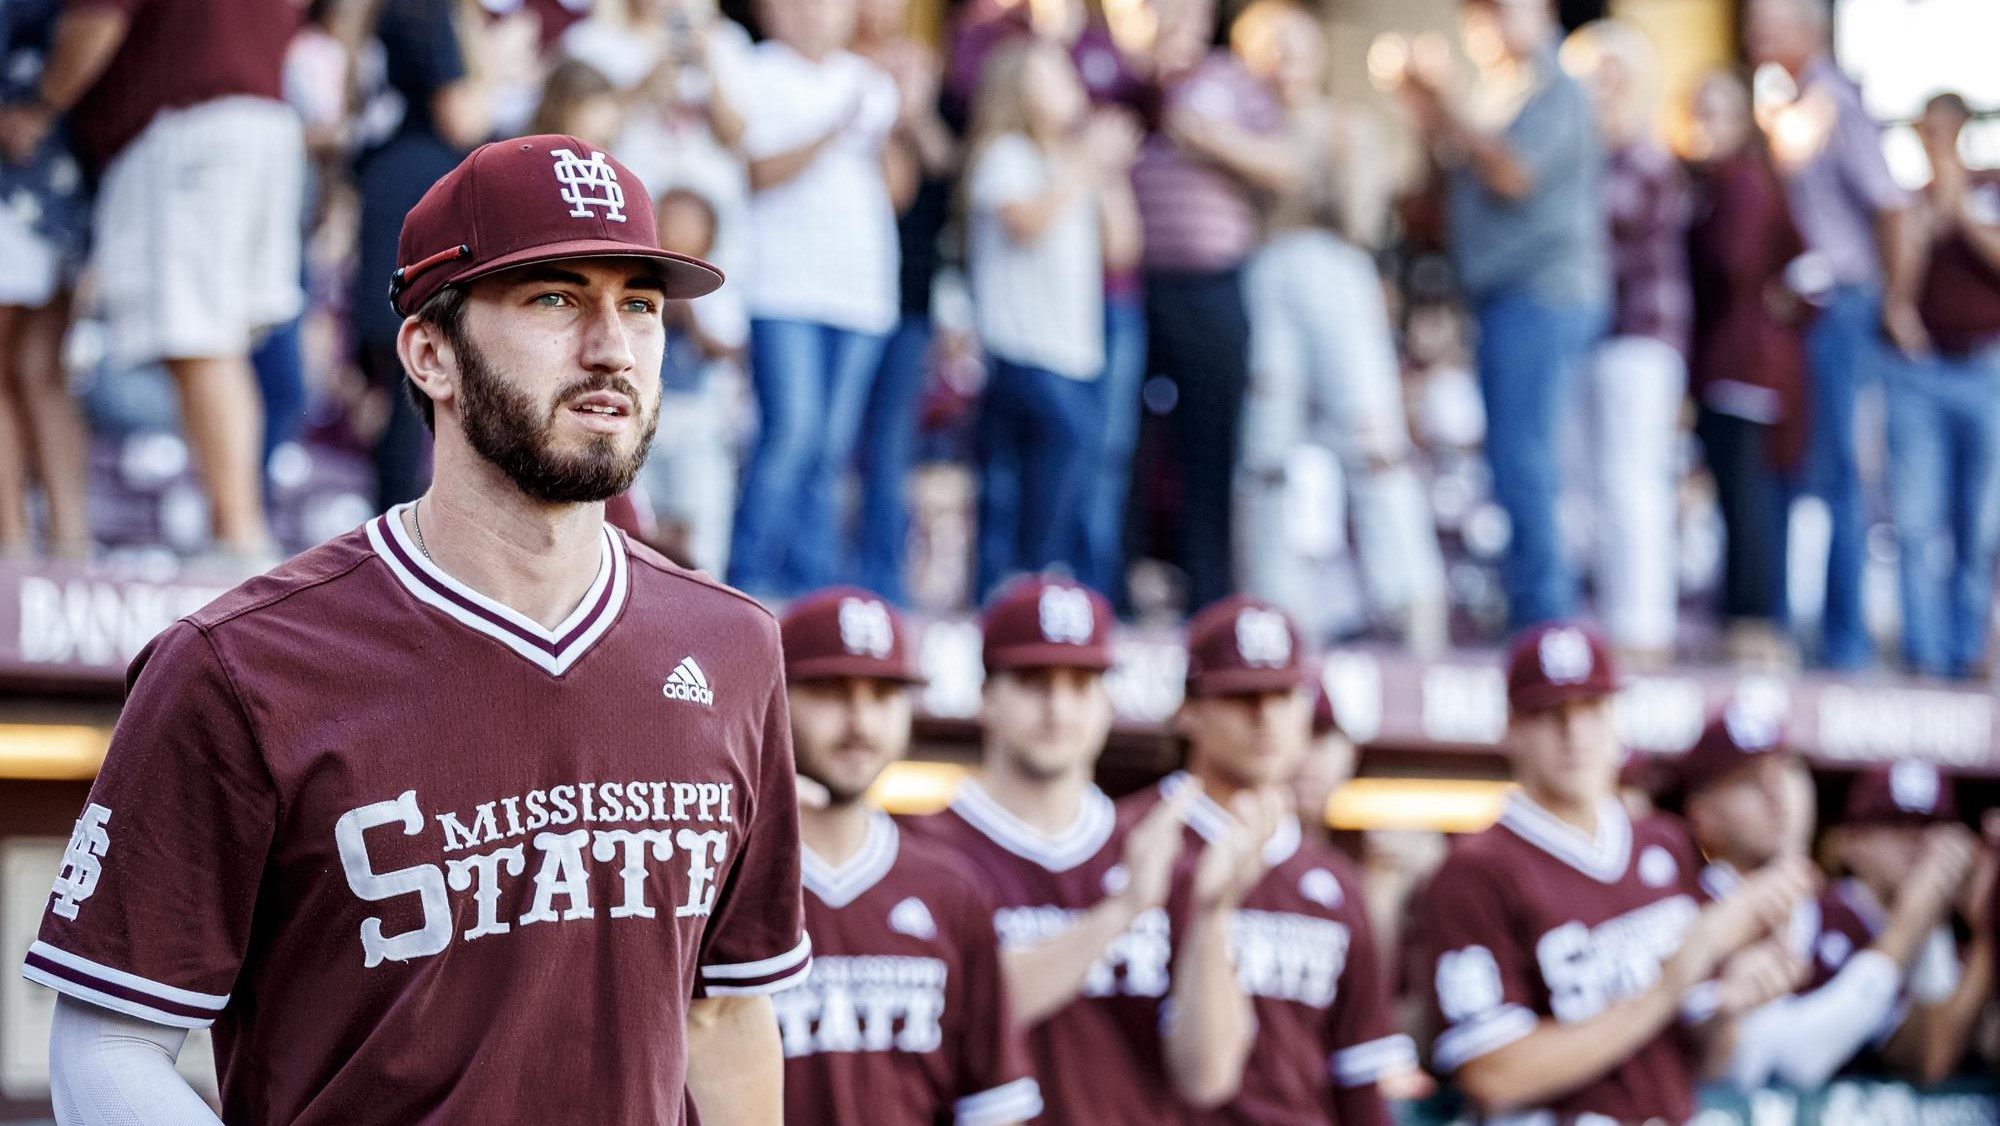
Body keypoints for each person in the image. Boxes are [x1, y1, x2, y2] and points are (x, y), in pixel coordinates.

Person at [25, 137, 808, 1123]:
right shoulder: (239, 664)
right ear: (430, 353)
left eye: (640, 305)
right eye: (554, 299)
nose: (612, 344)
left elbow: (725, 1016)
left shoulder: (734, 646)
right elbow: (106, 1051)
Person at [1412, 624, 1813, 1123]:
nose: (1574, 733)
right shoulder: (1474, 871)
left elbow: (1693, 1059)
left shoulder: (1663, 841)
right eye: (1549, 713)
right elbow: (1494, 1075)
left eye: (1591, 707)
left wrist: (1729, 1009)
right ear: (1511, 728)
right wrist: (1673, 980)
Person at [904, 576, 1260, 1123]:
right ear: (986, 696)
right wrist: (1119, 913)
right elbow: (963, 1017)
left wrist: (1214, 911)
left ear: (1107, 699)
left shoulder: (1154, 847)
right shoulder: (927, 852)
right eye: (1034, 681)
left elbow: (1209, 1076)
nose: (1058, 707)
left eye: (1080, 683)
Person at [0, 0, 306, 559]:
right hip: (259, 116)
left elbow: (99, 18)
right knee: (218, 344)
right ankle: (236, 533)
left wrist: (40, 106)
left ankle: (237, 539)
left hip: (189, 122)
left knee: (201, 344)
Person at [1132, 597, 1414, 1124]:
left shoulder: (1333, 882)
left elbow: (1359, 1081)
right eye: (1241, 696)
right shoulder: (1129, 845)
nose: (1265, 717)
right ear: (1188, 708)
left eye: (1283, 694)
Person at [776, 587, 1043, 1126]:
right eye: (832, 692)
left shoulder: (951, 889)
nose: (861, 721)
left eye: (883, 695)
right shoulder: (720, 881)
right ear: (774, 697)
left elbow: (992, 1104)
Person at [1229, 0, 1446, 651]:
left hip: (1336, 277)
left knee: (1371, 436)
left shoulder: (1348, 123)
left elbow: (1361, 222)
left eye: (1294, 44)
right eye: (1270, 46)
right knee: (1268, 447)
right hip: (1266, 281)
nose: (1284, 59)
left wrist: (1345, 161)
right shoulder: (1236, 120)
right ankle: (1274, 604)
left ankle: (1410, 602)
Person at [1400, 0, 1607, 632]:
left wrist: (1449, 109)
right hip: (1499, 295)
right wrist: (1428, 116)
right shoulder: (1497, 93)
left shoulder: (1557, 89)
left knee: (1526, 461)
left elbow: (1512, 175)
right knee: (1510, 462)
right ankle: (1532, 612)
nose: (1485, 24)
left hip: (1541, 293)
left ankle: (1544, 624)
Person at [1673, 709, 1976, 1088]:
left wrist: (1932, 921)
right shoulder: (1683, 909)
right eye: (1748, 781)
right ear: (1702, 815)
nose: (1777, 793)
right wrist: (1907, 926)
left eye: (1787, 770)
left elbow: (1916, 1061)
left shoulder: (1843, 916)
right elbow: (1787, 1064)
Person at [1744, 0, 1911, 670]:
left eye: (1770, 21)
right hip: (1804, 307)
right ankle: (1796, 632)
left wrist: (1891, 302)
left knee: (1836, 470)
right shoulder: (1789, 106)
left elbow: (1892, 207)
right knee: (1796, 465)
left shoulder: (1833, 102)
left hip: (1840, 307)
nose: (1757, 33)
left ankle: (1846, 646)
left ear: (1808, 31)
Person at [727, 0, 899, 599]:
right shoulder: (755, 70)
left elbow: (896, 189)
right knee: (790, 434)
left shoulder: (872, 82)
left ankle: (813, 591)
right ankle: (749, 579)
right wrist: (832, 127)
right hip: (784, 285)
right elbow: (756, 171)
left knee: (831, 451)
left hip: (861, 291)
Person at [1129, 0, 1297, 612]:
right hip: (1131, 286)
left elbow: (1282, 167)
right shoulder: (1127, 79)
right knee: (1127, 446)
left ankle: (1209, 594)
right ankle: (1121, 582)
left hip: (1212, 284)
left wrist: (1208, 137)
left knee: (1211, 445)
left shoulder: (1233, 81)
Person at [965, 39, 1140, 598]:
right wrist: (1086, 163)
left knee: (1064, 462)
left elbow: (1123, 250)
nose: (1072, 86)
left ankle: (1041, 574)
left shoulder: (1074, 165)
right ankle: (1023, 575)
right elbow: (1027, 221)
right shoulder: (1005, 156)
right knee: (1058, 449)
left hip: (1074, 347)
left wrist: (1106, 175)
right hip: (1019, 342)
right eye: (1053, 77)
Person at [1563, 19, 1691, 666]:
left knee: (1633, 482)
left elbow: (1592, 224)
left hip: (1640, 336)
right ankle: (1608, 624)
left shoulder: (1642, 156)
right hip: (1592, 339)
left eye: (1612, 77)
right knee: (1590, 486)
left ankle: (1643, 631)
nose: (1601, 91)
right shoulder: (1591, 156)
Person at [1683, 69, 1810, 669]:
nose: (1704, 127)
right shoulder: (1718, 184)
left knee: (1746, 497)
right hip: (1730, 363)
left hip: (1743, 367)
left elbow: (1741, 267)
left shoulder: (1744, 184)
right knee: (1738, 497)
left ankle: (1753, 624)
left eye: (1716, 113)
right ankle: (1744, 619)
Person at [352, 0, 494, 511]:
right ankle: (405, 536)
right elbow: (462, 118)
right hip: (418, 191)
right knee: (417, 365)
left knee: (411, 373)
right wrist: (497, 65)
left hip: (400, 182)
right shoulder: (427, 10)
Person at [1884, 92, 2000, 680]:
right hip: (1922, 371)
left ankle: (1968, 647)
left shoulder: (1992, 191)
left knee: (1979, 521)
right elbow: (1898, 296)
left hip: (1985, 368)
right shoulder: (1910, 200)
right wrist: (1924, 227)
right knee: (1916, 516)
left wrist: (1963, 216)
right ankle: (1924, 654)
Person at [851, 0, 959, 606]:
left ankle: (882, 589)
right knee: (828, 441)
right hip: (838, 283)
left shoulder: (921, 66)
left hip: (910, 289)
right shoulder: (832, 69)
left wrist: (912, 111)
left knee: (891, 448)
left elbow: (944, 163)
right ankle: (822, 580)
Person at [1822, 762, 1993, 1083]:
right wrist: (1922, 913)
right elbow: (1925, 1061)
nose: (1918, 842)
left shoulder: (1955, 937)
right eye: (1896, 824)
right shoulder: (1823, 917)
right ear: (1852, 842)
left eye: (1931, 825)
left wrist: (1986, 930)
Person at [0, 0, 89, 559]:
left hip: (22, 169)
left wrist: (38, 108)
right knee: (39, 368)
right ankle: (69, 542)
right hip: (62, 172)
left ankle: (11, 546)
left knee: (20, 366)